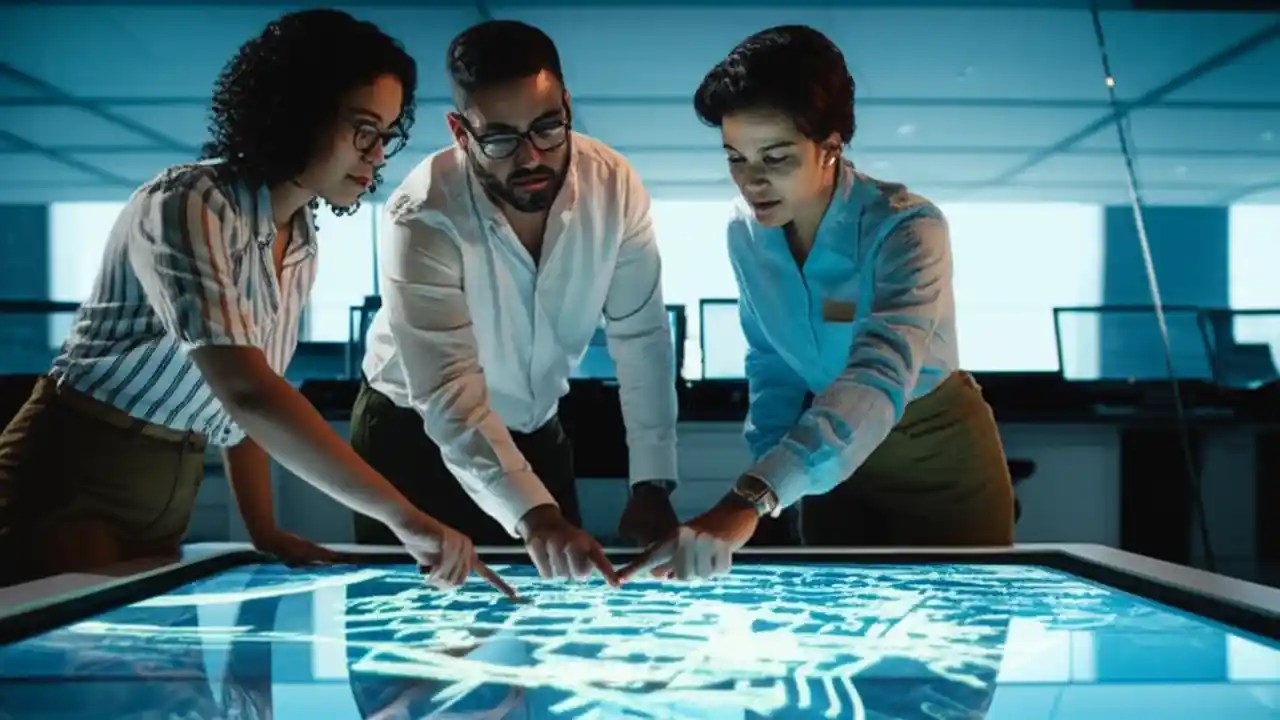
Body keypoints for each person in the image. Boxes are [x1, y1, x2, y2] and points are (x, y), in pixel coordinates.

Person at [0, 9, 511, 598]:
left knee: (151, 678)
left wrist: (266, 530)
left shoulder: (301, 243)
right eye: (362, 129)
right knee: (69, 676)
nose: (376, 154)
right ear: (297, 111)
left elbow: (251, 403)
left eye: (386, 136)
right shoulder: (189, 202)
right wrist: (408, 520)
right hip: (74, 475)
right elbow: (247, 391)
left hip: (174, 491)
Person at [623, 25, 1014, 581]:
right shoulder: (746, 234)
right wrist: (769, 487)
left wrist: (752, 497)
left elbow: (878, 376)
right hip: (822, 463)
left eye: (775, 157)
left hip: (934, 452)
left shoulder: (908, 229)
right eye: (735, 157)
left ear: (830, 147)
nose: (751, 181)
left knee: (951, 644)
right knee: (838, 639)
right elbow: (773, 364)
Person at [354, 20, 680, 583]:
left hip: (536, 424)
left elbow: (640, 337)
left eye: (548, 128)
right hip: (412, 430)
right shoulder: (423, 213)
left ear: (568, 106)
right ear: (460, 130)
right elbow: (448, 392)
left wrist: (650, 483)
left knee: (560, 622)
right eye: (501, 137)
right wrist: (534, 515)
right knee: (415, 643)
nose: (531, 157)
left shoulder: (615, 185)